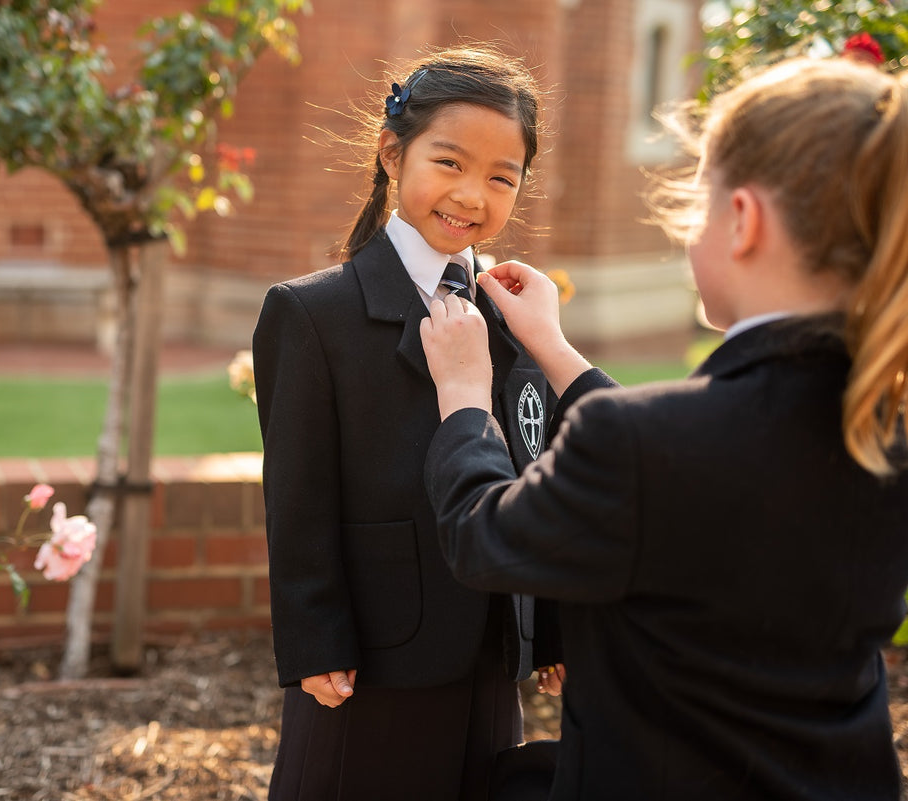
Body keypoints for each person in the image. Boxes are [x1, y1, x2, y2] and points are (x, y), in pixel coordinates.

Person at [419, 56, 908, 800]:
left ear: (742, 220)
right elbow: (688, 457)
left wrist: (463, 397)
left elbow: (482, 535)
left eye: (696, 207)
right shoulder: (882, 430)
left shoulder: (649, 446)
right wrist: (554, 348)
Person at [252, 45, 563, 801]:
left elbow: (531, 466)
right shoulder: (312, 313)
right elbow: (296, 494)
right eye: (449, 163)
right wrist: (314, 637)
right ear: (393, 153)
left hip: (491, 656)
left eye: (501, 176)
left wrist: (548, 624)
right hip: (369, 661)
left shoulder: (517, 311)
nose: (472, 195)